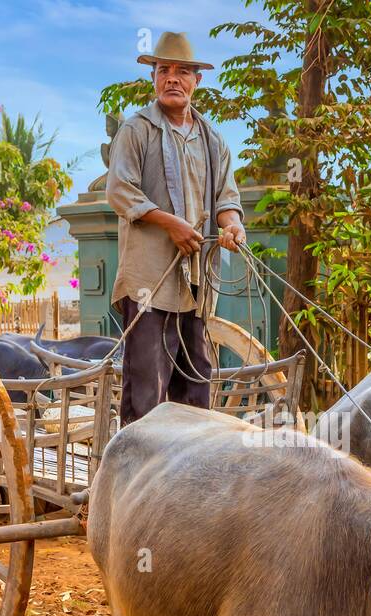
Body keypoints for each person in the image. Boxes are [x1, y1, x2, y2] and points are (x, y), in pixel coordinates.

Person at [105, 31, 246, 423]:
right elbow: (119, 192)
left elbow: (226, 200)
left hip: (198, 282)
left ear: (196, 80)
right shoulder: (136, 131)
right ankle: (136, 476)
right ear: (153, 78)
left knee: (196, 383)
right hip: (151, 280)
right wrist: (170, 224)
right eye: (164, 70)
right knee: (147, 387)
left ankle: (188, 477)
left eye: (182, 71)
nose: (172, 78)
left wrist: (232, 226)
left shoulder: (213, 139)